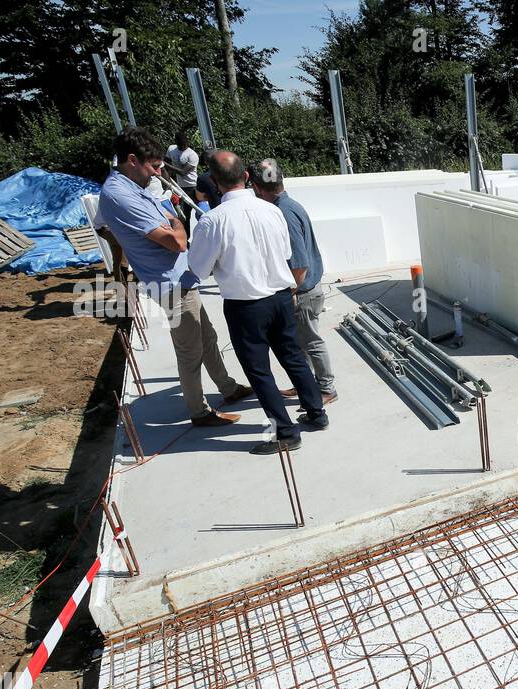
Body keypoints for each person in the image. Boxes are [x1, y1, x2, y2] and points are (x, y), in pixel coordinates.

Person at [96, 126, 251, 427]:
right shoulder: (118, 196)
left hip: (180, 279)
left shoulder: (132, 189)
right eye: (154, 166)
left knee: (207, 337)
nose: (157, 174)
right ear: (131, 160)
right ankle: (199, 411)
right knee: (190, 350)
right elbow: (176, 240)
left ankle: (228, 388)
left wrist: (173, 223)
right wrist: (178, 225)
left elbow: (169, 222)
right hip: (170, 285)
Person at [187, 150, 329, 455]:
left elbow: (198, 269)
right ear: (246, 177)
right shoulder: (272, 210)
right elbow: (287, 255)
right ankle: (317, 413)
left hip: (246, 306)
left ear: (213, 182)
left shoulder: (213, 221)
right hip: (280, 298)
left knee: (259, 371)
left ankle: (287, 433)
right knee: (292, 356)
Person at [248, 158, 337, 404]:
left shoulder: (284, 213)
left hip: (303, 292)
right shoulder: (289, 206)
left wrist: (291, 293)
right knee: (300, 343)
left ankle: (327, 389)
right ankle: (305, 384)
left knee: (310, 341)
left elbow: (299, 264)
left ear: (256, 187)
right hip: (306, 289)